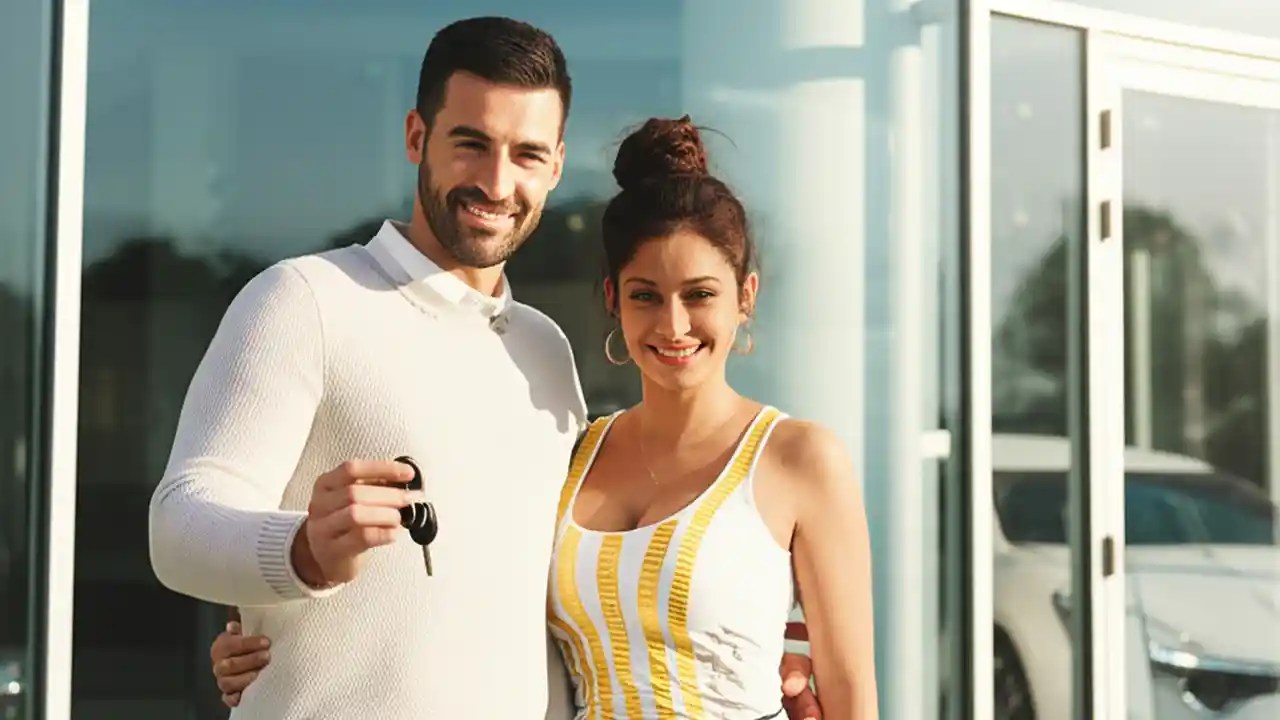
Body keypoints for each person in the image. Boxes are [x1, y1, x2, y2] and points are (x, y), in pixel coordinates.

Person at [149, 15, 821, 720]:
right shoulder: (306, 301)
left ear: (556, 165)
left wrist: (764, 649)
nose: (498, 182)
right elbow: (178, 524)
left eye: (527, 154)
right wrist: (300, 553)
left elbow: (566, 593)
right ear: (417, 138)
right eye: (472, 144)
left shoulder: (545, 352)